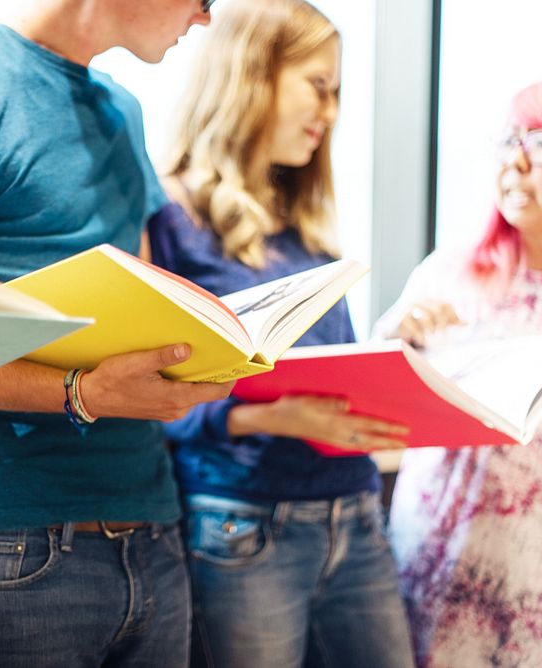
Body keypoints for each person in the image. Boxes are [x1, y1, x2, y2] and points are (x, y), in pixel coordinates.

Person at [0, 1, 230, 666]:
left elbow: (143, 309)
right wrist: (80, 393)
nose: (205, 19)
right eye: (205, 0)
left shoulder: (124, 112)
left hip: (152, 532)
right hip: (5, 544)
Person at [147, 1, 414, 666]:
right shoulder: (170, 217)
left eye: (337, 92)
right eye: (318, 86)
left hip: (354, 511)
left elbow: (328, 371)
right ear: (253, 76)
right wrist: (272, 417)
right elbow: (149, 397)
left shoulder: (305, 228)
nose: (330, 111)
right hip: (243, 522)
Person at [375, 78, 542, 667]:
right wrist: (392, 340)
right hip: (445, 563)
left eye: (540, 141)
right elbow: (378, 410)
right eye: (508, 140)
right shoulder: (453, 272)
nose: (515, 160)